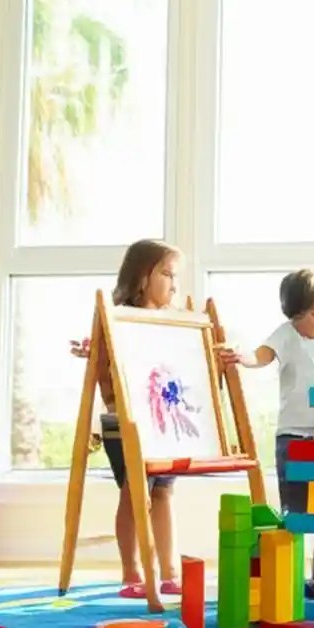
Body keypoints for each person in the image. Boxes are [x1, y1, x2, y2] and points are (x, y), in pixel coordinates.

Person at [69, 238, 222, 598]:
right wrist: (94, 351)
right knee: (135, 494)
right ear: (142, 277)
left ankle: (169, 572)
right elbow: (107, 369)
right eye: (166, 274)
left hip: (163, 424)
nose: (174, 283)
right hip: (124, 422)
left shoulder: (173, 323)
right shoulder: (118, 317)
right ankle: (131, 572)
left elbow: (182, 369)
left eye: (175, 276)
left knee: (164, 493)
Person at [228, 268, 314, 598]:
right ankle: (288, 577)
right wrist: (241, 358)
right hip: (293, 436)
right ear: (295, 315)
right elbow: (262, 356)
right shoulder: (287, 335)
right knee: (295, 511)